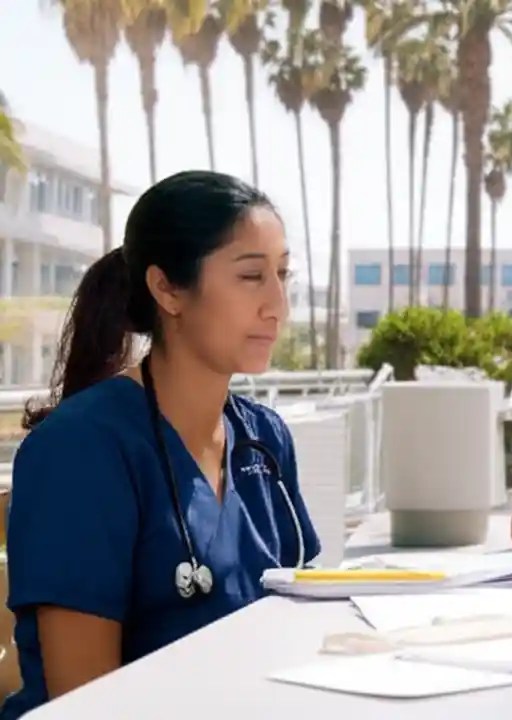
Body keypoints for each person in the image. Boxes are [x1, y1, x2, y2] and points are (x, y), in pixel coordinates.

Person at [1, 171, 321, 718]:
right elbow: (86, 704)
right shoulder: (81, 451)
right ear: (167, 289)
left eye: (283, 275)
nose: (278, 306)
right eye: (251, 277)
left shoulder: (265, 441)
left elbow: (302, 627)